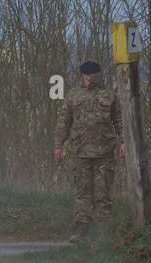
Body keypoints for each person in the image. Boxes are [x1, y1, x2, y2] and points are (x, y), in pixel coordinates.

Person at [53, 60, 125, 242]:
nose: (86, 78)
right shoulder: (73, 96)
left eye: (89, 75)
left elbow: (120, 121)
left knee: (103, 192)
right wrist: (58, 145)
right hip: (80, 151)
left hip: (104, 151)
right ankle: (81, 228)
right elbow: (63, 122)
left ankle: (103, 231)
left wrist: (123, 142)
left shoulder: (110, 95)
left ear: (96, 75)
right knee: (82, 192)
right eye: (84, 75)